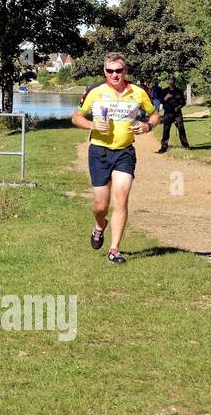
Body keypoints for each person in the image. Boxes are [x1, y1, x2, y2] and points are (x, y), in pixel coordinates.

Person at [71, 52, 160, 264]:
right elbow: (76, 117)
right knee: (101, 205)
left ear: (125, 71)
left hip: (124, 152)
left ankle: (114, 250)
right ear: (104, 72)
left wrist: (148, 125)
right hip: (99, 152)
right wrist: (92, 125)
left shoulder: (139, 92)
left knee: (121, 198)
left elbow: (155, 114)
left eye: (118, 70)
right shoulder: (94, 92)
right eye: (110, 71)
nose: (114, 74)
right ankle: (99, 225)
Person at [158, 76, 191, 152]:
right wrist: (166, 98)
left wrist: (178, 107)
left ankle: (185, 145)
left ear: (174, 82)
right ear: (168, 82)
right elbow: (161, 101)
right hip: (168, 113)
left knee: (181, 129)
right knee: (166, 130)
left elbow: (183, 102)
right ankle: (164, 146)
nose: (171, 82)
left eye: (172, 81)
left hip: (177, 113)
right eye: (170, 80)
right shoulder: (164, 91)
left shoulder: (179, 91)